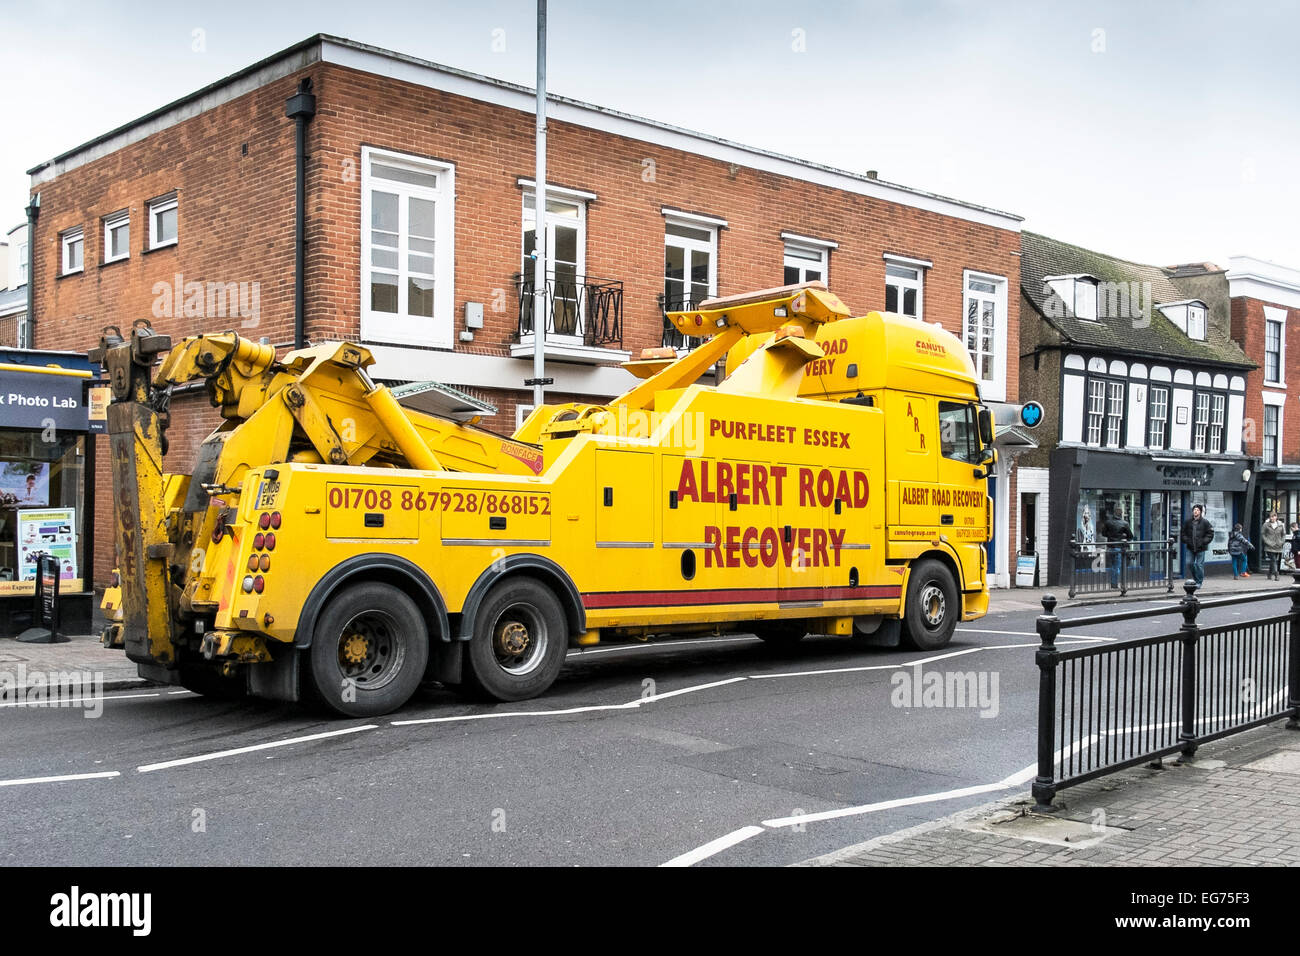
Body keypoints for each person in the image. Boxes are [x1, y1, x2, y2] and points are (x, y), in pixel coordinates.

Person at [1099, 506, 1134, 589]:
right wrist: (1123, 537)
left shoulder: (1108, 522)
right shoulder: (1124, 523)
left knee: (1113, 565)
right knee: (1116, 566)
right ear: (1121, 514)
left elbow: (1103, 533)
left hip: (1110, 546)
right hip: (1119, 547)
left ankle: (1114, 583)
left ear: (1114, 513)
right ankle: (1114, 584)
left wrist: (1111, 535)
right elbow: (1130, 536)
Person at [1181, 504, 1214, 588]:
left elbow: (1210, 534)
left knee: (1199, 565)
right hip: (1190, 547)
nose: (1195, 511)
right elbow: (1182, 533)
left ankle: (1199, 582)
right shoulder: (1188, 522)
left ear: (1200, 512)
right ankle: (1196, 579)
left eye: (1197, 510)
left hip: (1201, 548)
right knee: (1189, 563)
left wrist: (1203, 542)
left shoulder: (1205, 522)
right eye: (1194, 510)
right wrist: (1187, 540)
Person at [1262, 511, 1286, 581]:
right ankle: (1276, 574)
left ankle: (1269, 573)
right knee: (1273, 560)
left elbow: (1283, 534)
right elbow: (1263, 534)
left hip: (1278, 545)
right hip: (1269, 546)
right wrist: (1268, 542)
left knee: (1273, 561)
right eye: (1271, 517)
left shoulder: (1281, 524)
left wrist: (1282, 542)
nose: (1272, 518)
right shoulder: (1266, 525)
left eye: (1273, 516)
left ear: (1276, 517)